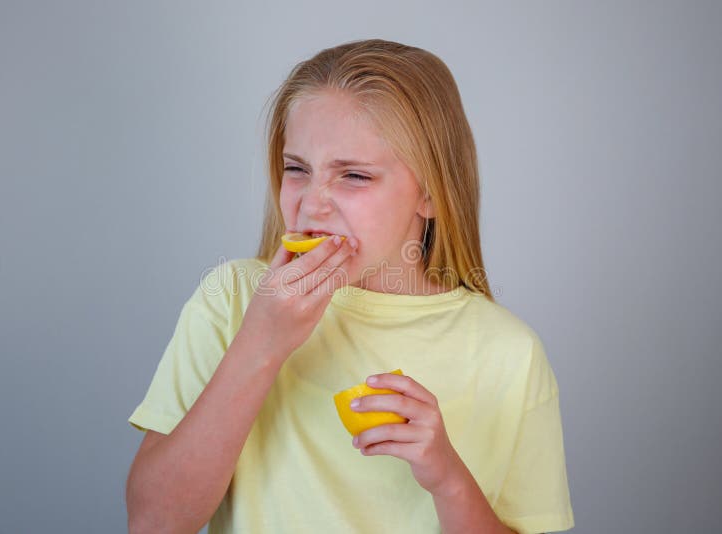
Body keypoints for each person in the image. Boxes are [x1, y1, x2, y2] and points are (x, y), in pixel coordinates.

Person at [125, 38, 575, 534]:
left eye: (354, 176)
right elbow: (154, 523)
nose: (312, 203)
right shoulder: (233, 297)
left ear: (431, 193)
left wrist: (449, 480)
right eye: (297, 169)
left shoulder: (508, 353)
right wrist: (261, 342)